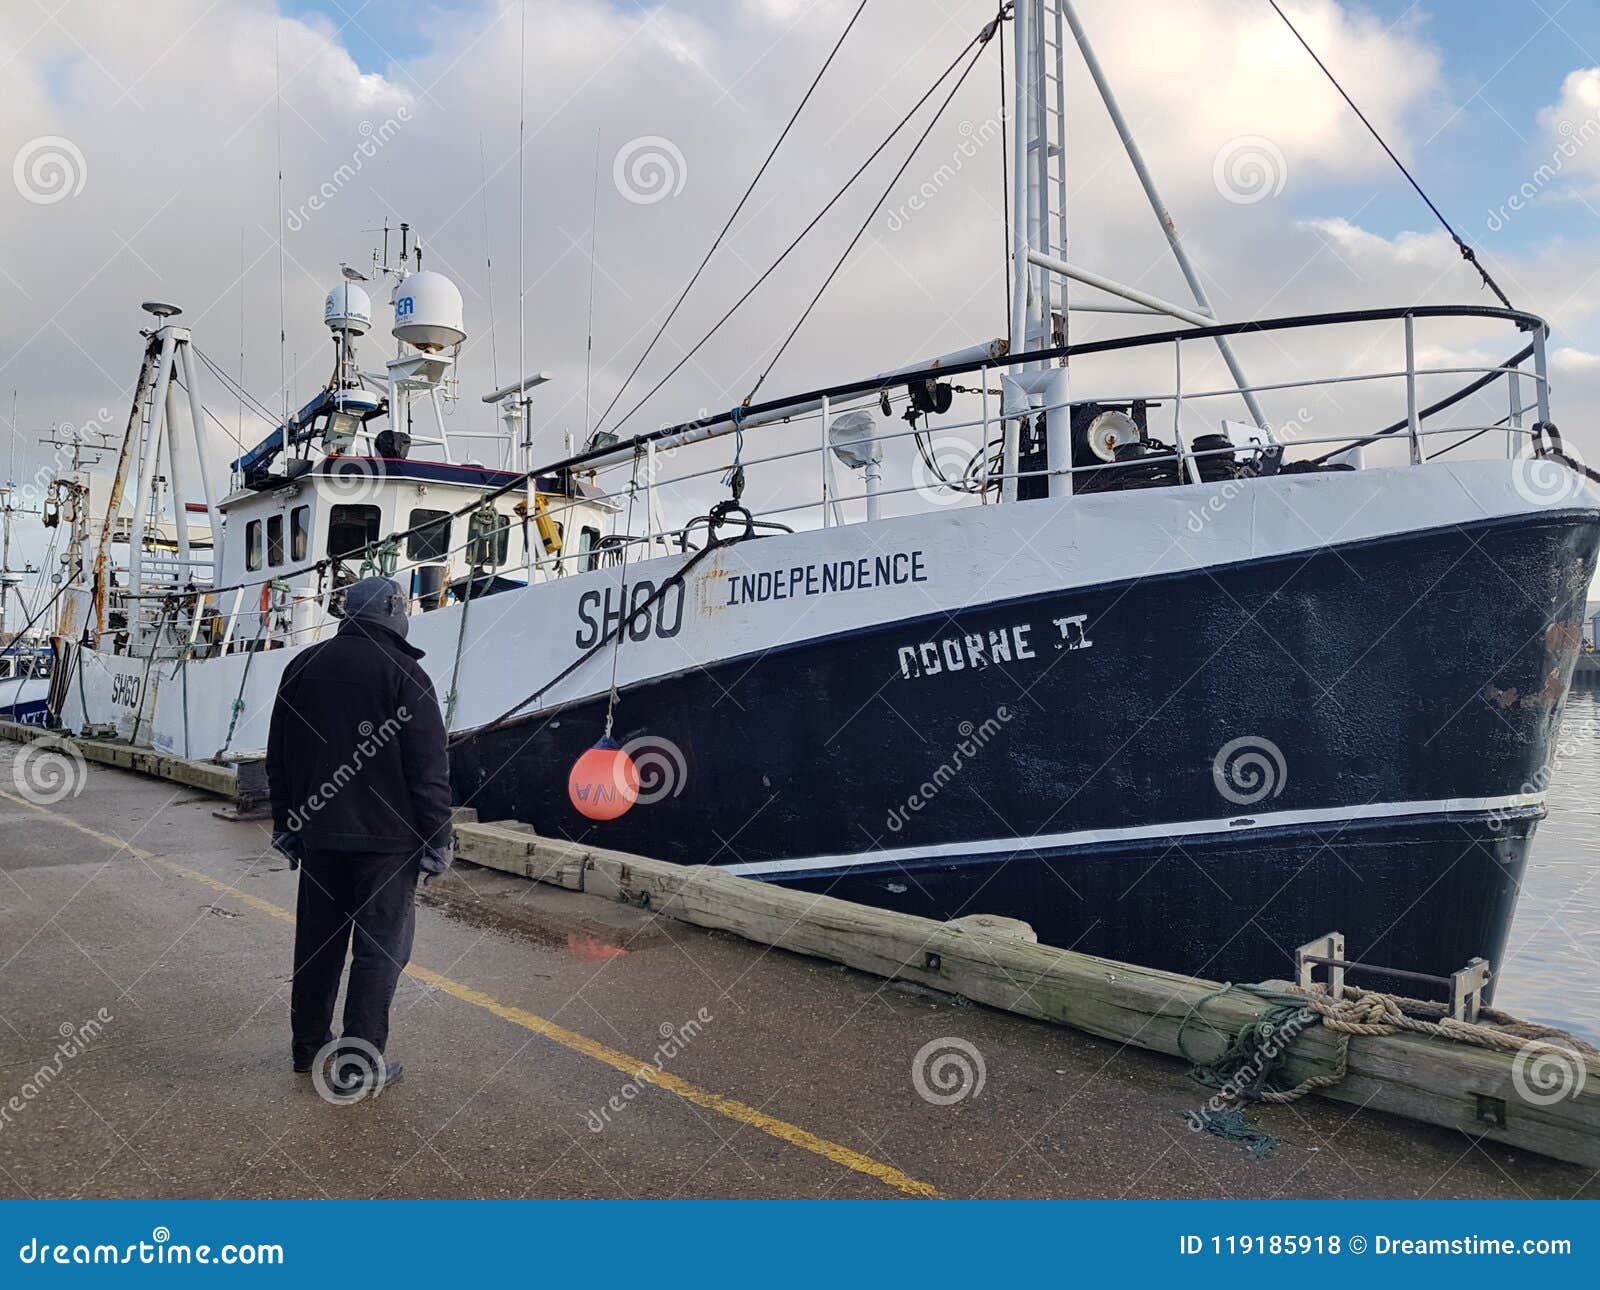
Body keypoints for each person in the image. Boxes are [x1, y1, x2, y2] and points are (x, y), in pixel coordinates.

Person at [266, 576, 454, 1093]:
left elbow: (278, 754)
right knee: (379, 952)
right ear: (392, 609)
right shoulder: (405, 674)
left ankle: (306, 1050)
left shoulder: (302, 666)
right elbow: (427, 766)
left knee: (317, 946)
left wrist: (286, 823)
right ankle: (357, 1065)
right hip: (388, 844)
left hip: (320, 836)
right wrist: (439, 837)